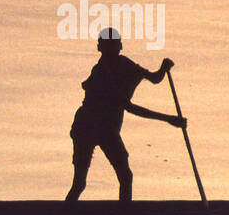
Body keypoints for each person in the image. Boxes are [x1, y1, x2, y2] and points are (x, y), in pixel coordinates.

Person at [64, 28, 184, 203]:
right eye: (106, 47)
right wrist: (169, 119)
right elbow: (130, 107)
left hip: (107, 129)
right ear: (100, 48)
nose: (110, 51)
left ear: (120, 46)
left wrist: (164, 69)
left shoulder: (126, 65)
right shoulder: (101, 72)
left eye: (114, 46)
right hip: (87, 127)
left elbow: (154, 78)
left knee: (125, 176)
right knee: (80, 183)